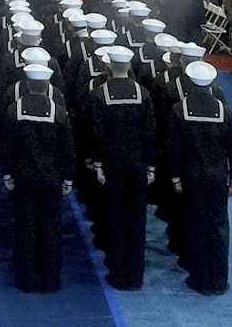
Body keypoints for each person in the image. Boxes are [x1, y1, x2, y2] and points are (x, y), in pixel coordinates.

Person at [165, 59, 232, 294]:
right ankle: (219, 280)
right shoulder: (224, 111)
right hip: (218, 176)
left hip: (191, 177)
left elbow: (173, 148)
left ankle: (199, 278)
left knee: (196, 226)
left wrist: (175, 177)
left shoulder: (179, 110)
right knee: (219, 228)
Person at [84, 45, 156, 290]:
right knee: (137, 220)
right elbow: (150, 133)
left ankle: (118, 273)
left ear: (108, 67)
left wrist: (97, 164)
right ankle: (135, 275)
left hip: (113, 164)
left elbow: (96, 133)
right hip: (138, 164)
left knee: (115, 218)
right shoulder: (143, 94)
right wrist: (151, 167)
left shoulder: (98, 94)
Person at [2, 61, 76, 293]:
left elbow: (7, 147)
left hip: (23, 178)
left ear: (27, 84)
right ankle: (50, 277)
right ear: (47, 85)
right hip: (51, 179)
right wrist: (68, 178)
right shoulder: (59, 112)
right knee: (51, 229)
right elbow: (67, 149)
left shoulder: (14, 110)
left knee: (25, 228)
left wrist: (7, 174)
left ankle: (26, 278)